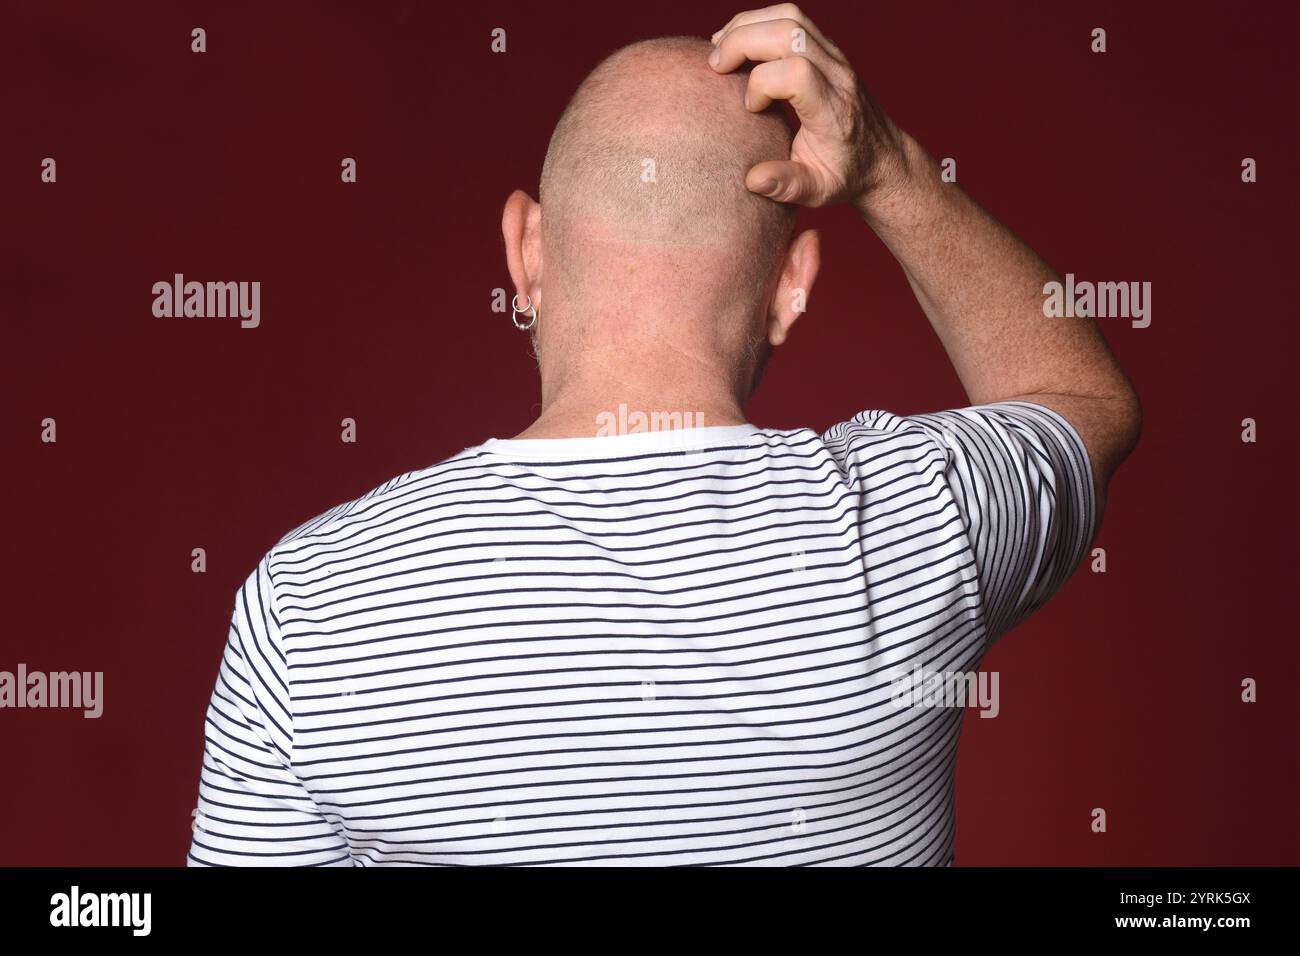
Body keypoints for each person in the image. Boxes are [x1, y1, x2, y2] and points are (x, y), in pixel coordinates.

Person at [188, 7, 1140, 867]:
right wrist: (889, 169)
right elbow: (1082, 398)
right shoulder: (914, 518)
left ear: (525, 250)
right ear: (791, 284)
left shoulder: (309, 604)